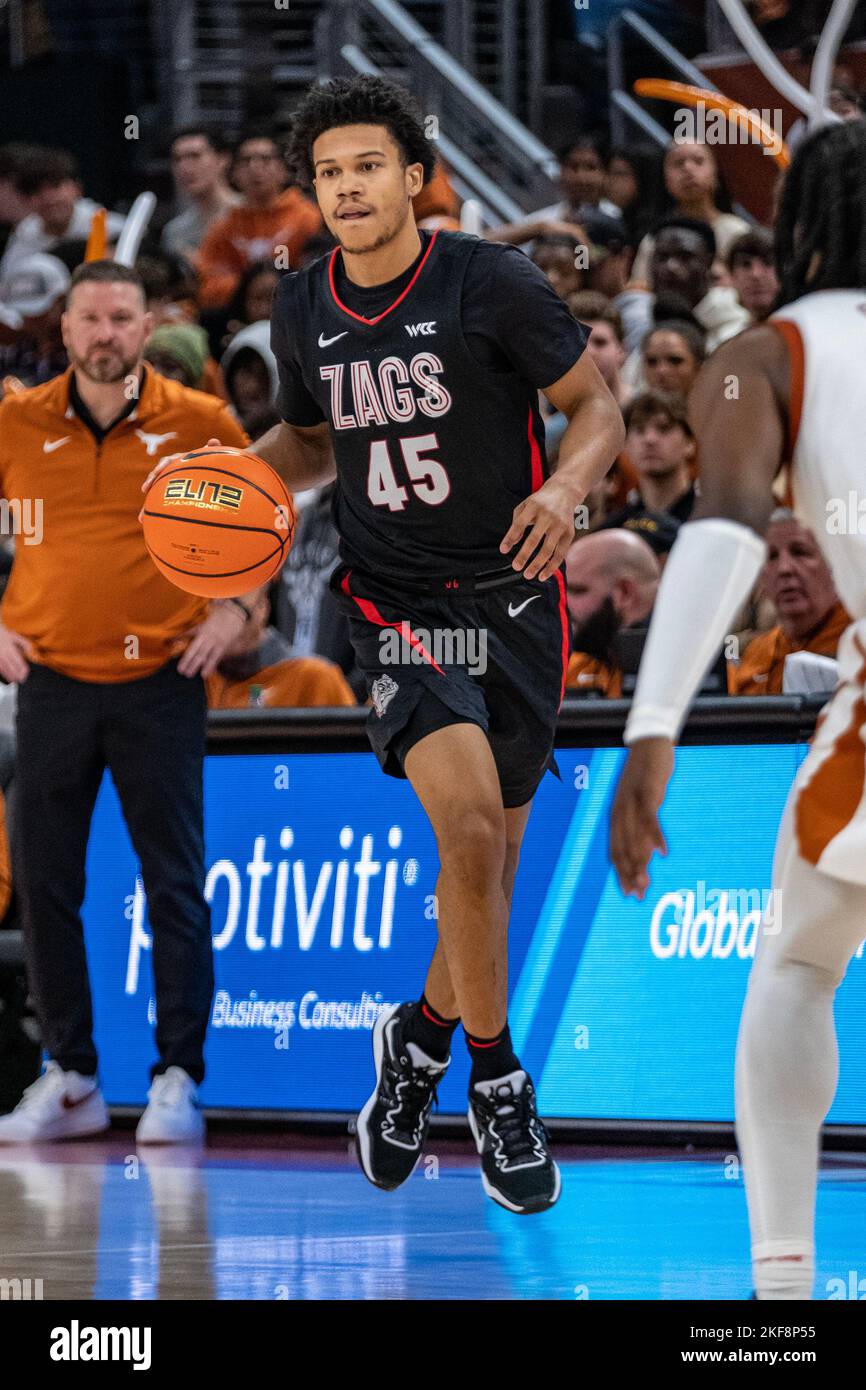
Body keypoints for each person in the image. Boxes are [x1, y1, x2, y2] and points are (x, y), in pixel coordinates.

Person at [144, 74, 624, 1214]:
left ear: (412, 179)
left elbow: (595, 409)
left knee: (485, 872)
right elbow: (312, 443)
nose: (347, 187)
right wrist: (231, 487)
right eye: (329, 173)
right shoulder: (299, 305)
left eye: (367, 167)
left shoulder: (489, 281)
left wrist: (564, 488)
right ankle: (497, 1083)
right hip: (396, 603)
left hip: (516, 594)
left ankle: (411, 1049)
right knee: (461, 826)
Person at [609, 119, 866, 1300]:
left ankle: (779, 1283)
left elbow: (716, 528)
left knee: (797, 961)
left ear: (793, 225)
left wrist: (650, 724)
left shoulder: (759, 355)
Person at [0, 260, 254, 1148]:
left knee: (174, 882)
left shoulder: (200, 421)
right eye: (89, 319)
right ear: (62, 330)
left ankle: (177, 1076)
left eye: (121, 318)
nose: (105, 333)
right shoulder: (15, 420)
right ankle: (70, 1075)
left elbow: (263, 527)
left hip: (164, 683)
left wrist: (236, 609)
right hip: (51, 683)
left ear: (148, 327)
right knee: (44, 882)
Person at [195, 131, 321, 308]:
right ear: (234, 173)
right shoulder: (224, 227)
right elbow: (207, 286)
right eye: (246, 161)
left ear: (284, 170)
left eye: (265, 159)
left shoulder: (309, 218)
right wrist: (252, 290)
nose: (255, 168)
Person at [729, 512, 849, 694]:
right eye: (772, 557)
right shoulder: (757, 654)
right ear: (762, 579)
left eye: (800, 552)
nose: (784, 568)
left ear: (835, 567)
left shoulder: (858, 642)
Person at [617, 216, 752, 360]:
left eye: (685, 257)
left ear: (708, 262)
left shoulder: (737, 328)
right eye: (662, 257)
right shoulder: (640, 322)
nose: (670, 267)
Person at [204, 591, 356, 709]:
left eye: (233, 609)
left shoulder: (313, 676)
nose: (227, 627)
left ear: (263, 607)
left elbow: (352, 744)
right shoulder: (198, 678)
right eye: (214, 606)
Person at [629, 141, 751, 287]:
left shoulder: (737, 230)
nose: (688, 169)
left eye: (699, 161)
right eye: (678, 163)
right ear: (665, 179)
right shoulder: (655, 238)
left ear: (716, 174)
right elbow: (640, 289)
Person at [564, 530, 660, 697]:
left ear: (624, 592)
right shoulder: (574, 656)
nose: (564, 603)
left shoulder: (690, 658)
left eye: (577, 591)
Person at [0, 148, 125, 275]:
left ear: (77, 188)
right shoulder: (24, 237)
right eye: (36, 190)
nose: (49, 198)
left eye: (55, 185)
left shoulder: (115, 229)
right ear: (26, 200)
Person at [601, 390, 697, 530]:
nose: (650, 439)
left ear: (690, 442)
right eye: (639, 430)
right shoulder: (614, 531)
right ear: (626, 445)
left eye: (664, 428)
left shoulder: (712, 520)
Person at [162, 127, 240, 262]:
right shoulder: (175, 232)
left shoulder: (250, 214)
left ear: (222, 159)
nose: (184, 167)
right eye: (177, 159)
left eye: (195, 156)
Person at [727, 227, 780, 321]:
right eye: (745, 265)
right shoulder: (727, 334)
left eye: (767, 262)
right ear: (732, 276)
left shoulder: (806, 328)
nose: (756, 274)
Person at [641, 320, 705, 397]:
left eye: (675, 361)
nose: (661, 371)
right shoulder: (631, 407)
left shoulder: (718, 408)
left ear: (699, 369)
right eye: (652, 362)